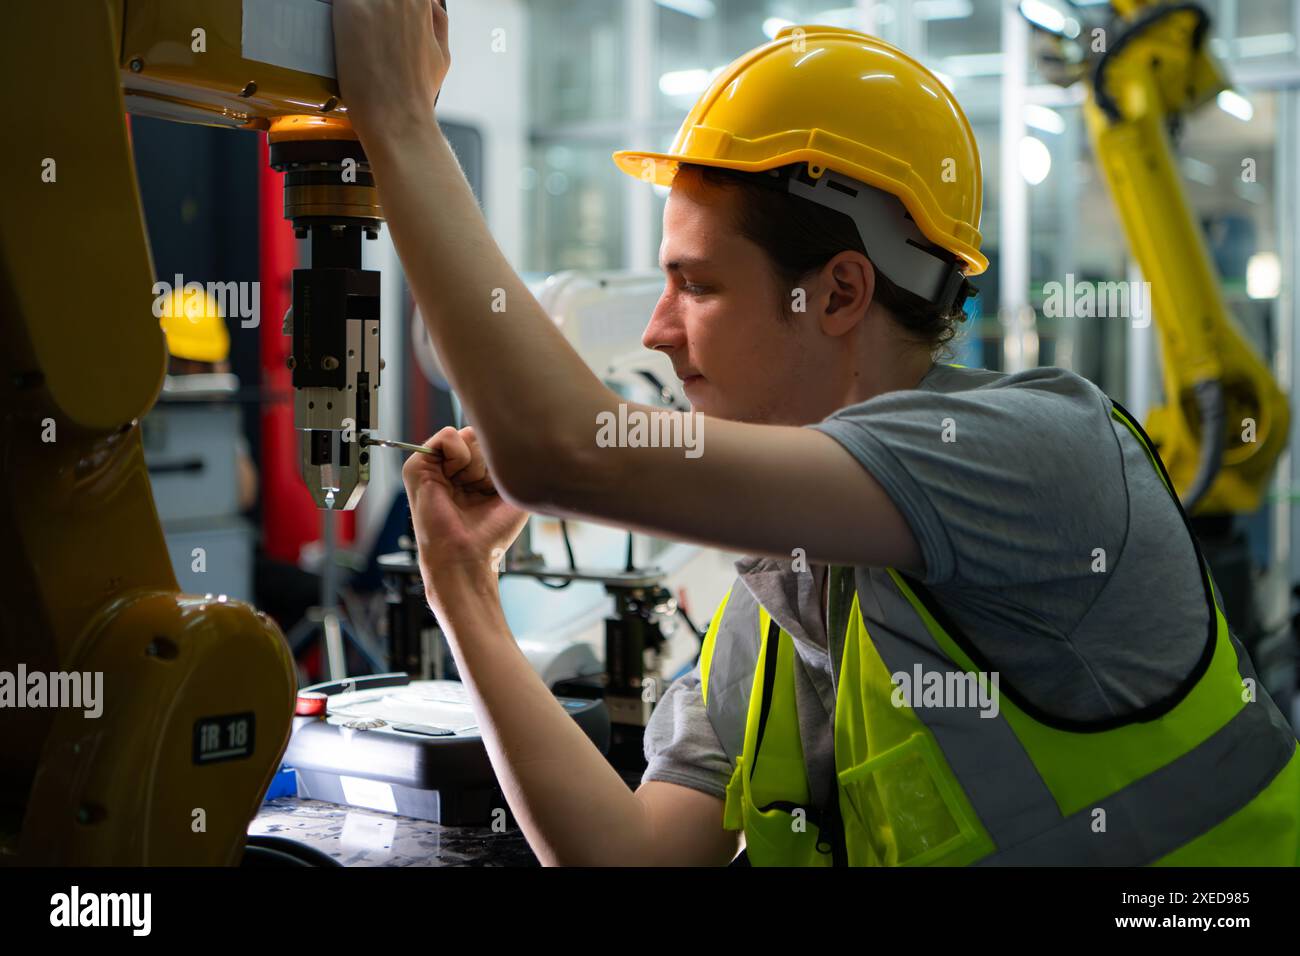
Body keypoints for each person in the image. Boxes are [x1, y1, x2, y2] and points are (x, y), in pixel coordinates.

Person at [332, 3, 1300, 865]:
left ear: (837, 290)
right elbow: (626, 853)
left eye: (696, 284)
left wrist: (401, 121)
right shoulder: (779, 609)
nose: (656, 328)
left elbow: (562, 448)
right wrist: (463, 583)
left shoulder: (1036, 457)